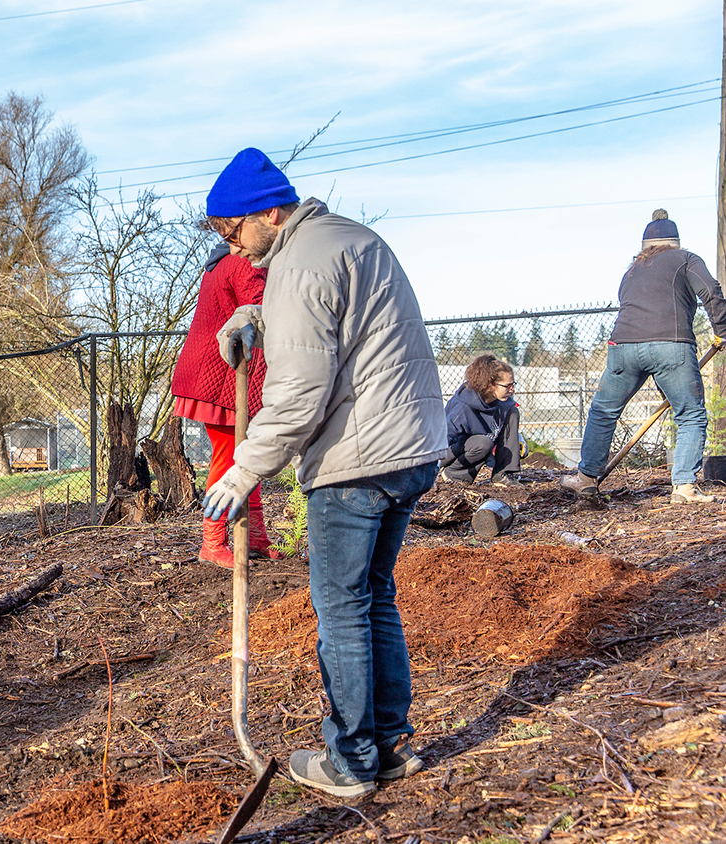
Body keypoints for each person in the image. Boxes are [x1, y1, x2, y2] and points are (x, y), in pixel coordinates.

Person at [201, 148, 445, 799]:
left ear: (272, 212)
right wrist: (253, 316)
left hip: (356, 460)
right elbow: (337, 324)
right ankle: (388, 746)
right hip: (408, 450)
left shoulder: (301, 263)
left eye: (234, 230)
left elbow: (303, 391)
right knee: (373, 595)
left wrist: (245, 468)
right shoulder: (343, 241)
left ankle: (353, 761)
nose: (231, 245)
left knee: (341, 607)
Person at [562, 210, 726, 504]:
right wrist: (722, 330)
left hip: (622, 347)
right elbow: (711, 291)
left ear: (645, 247)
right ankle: (685, 488)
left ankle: (585, 477)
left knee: (603, 411)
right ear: (675, 242)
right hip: (671, 345)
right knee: (690, 414)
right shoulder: (686, 259)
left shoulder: (632, 271)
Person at [170, 241, 276, 565]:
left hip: (220, 373)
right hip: (220, 376)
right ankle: (212, 541)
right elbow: (262, 309)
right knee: (228, 455)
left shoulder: (225, 258)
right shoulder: (246, 260)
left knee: (245, 454)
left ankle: (255, 536)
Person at [441, 354, 524, 486]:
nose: (512, 390)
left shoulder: (504, 402)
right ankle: (454, 474)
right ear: (490, 385)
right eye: (507, 386)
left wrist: (518, 438)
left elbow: (507, 427)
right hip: (451, 450)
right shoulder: (463, 406)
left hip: (478, 447)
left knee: (513, 411)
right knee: (484, 443)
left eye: (513, 384)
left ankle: (502, 474)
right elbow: (443, 437)